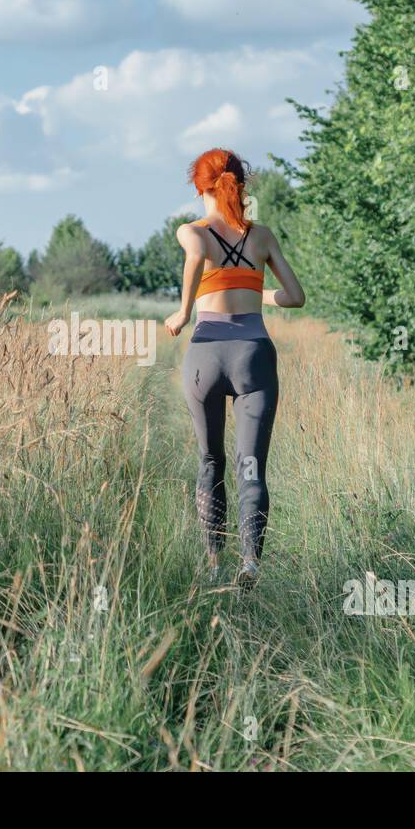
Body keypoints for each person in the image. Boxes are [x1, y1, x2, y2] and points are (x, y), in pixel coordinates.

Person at [164, 148, 306, 590]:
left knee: (211, 460)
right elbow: (296, 296)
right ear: (241, 184)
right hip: (253, 353)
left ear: (198, 186)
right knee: (251, 466)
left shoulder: (192, 232)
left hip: (206, 351)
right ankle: (250, 564)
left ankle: (213, 562)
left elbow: (194, 260)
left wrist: (183, 313)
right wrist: (258, 294)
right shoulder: (261, 236)